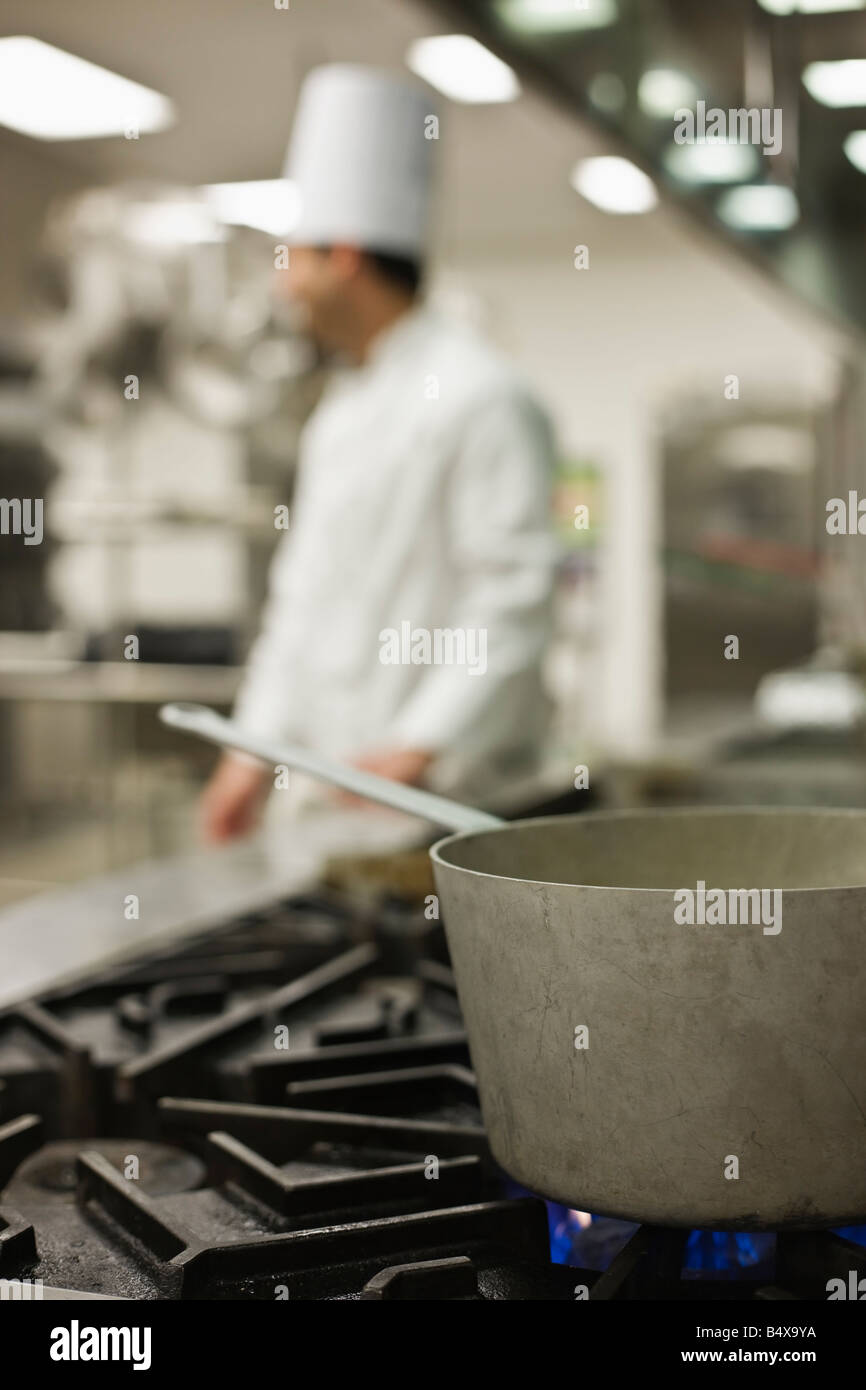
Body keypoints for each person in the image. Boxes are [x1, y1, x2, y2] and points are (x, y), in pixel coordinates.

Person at [201, 64, 557, 843]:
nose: (282, 285)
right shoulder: (341, 410)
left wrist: (420, 743)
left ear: (348, 257)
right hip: (341, 795)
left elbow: (515, 596)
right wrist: (247, 753)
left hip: (450, 799)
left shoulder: (481, 393)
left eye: (293, 258)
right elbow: (301, 600)